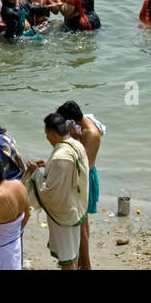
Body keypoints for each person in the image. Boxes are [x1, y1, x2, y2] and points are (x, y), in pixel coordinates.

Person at [26, 113, 90, 270]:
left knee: (67, 259)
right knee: (71, 255)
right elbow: (70, 173)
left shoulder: (61, 156)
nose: (47, 138)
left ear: (52, 133)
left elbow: (50, 192)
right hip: (76, 206)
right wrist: (48, 167)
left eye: (47, 134)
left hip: (64, 213)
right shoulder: (76, 145)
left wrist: (36, 172)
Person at [57, 101, 104, 270]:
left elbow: (80, 161)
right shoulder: (89, 123)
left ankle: (86, 265)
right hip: (88, 175)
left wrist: (75, 138)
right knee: (84, 223)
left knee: (81, 224)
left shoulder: (88, 133)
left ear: (71, 120)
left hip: (85, 178)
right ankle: (83, 260)